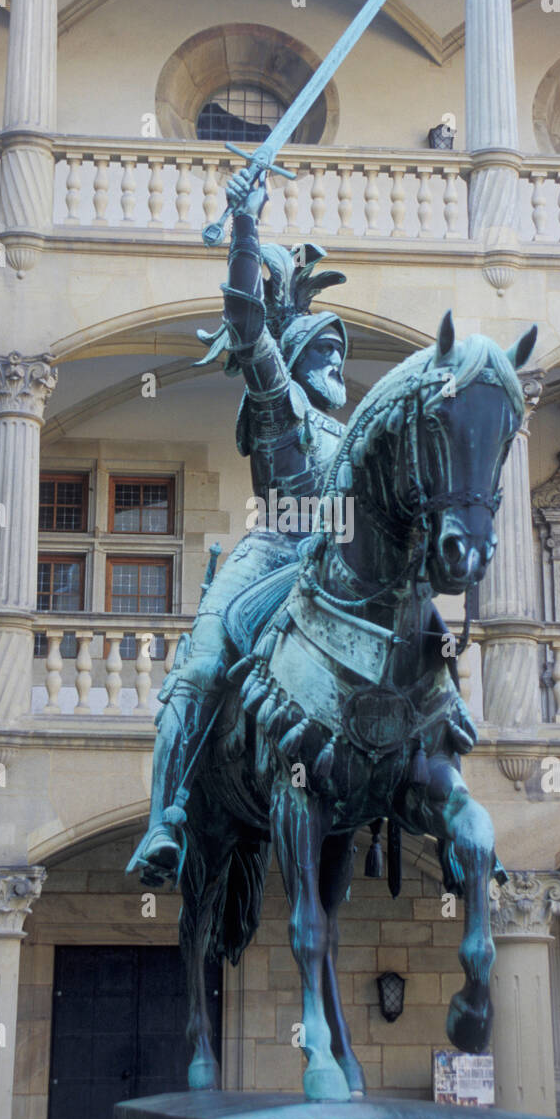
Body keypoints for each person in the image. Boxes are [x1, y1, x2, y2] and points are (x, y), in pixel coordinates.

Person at [127, 166, 350, 885]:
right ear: (295, 360)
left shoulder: (353, 435)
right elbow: (248, 324)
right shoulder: (276, 401)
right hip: (272, 550)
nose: (337, 358)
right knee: (195, 674)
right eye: (324, 348)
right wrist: (247, 226)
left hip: (330, 563)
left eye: (340, 349)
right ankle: (164, 821)